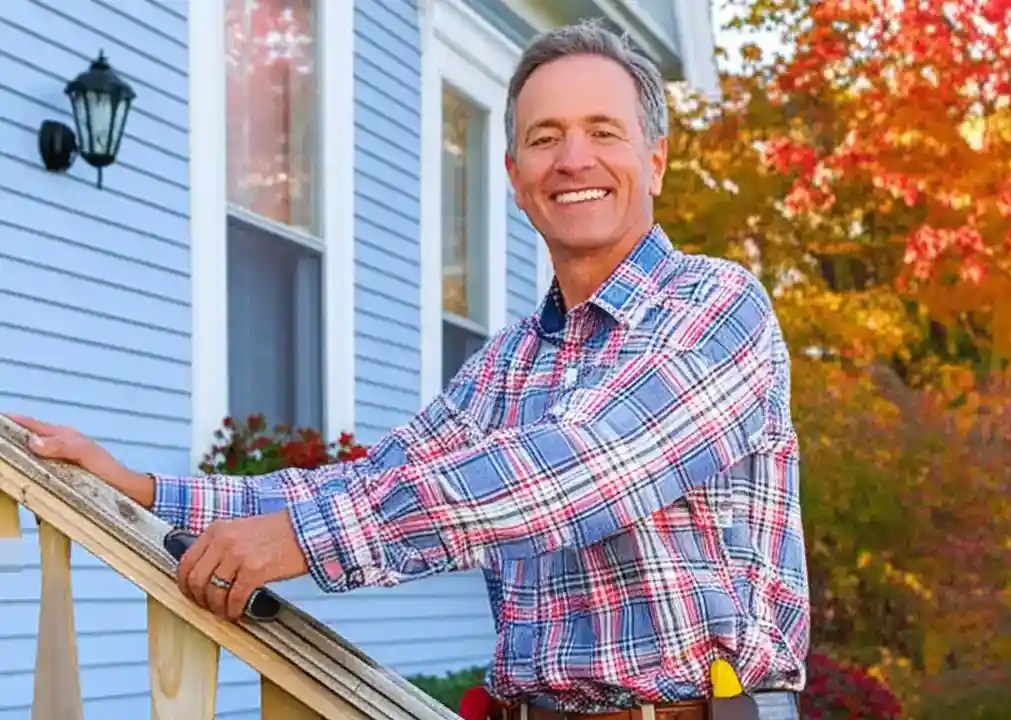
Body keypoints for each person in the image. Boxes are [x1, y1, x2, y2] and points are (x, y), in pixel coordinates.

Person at [7, 19, 808, 720]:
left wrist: (302, 541)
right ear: (516, 179)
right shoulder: (507, 365)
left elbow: (581, 472)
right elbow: (367, 480)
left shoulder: (716, 307)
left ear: (656, 160)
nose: (572, 159)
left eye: (603, 132)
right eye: (543, 137)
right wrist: (143, 489)